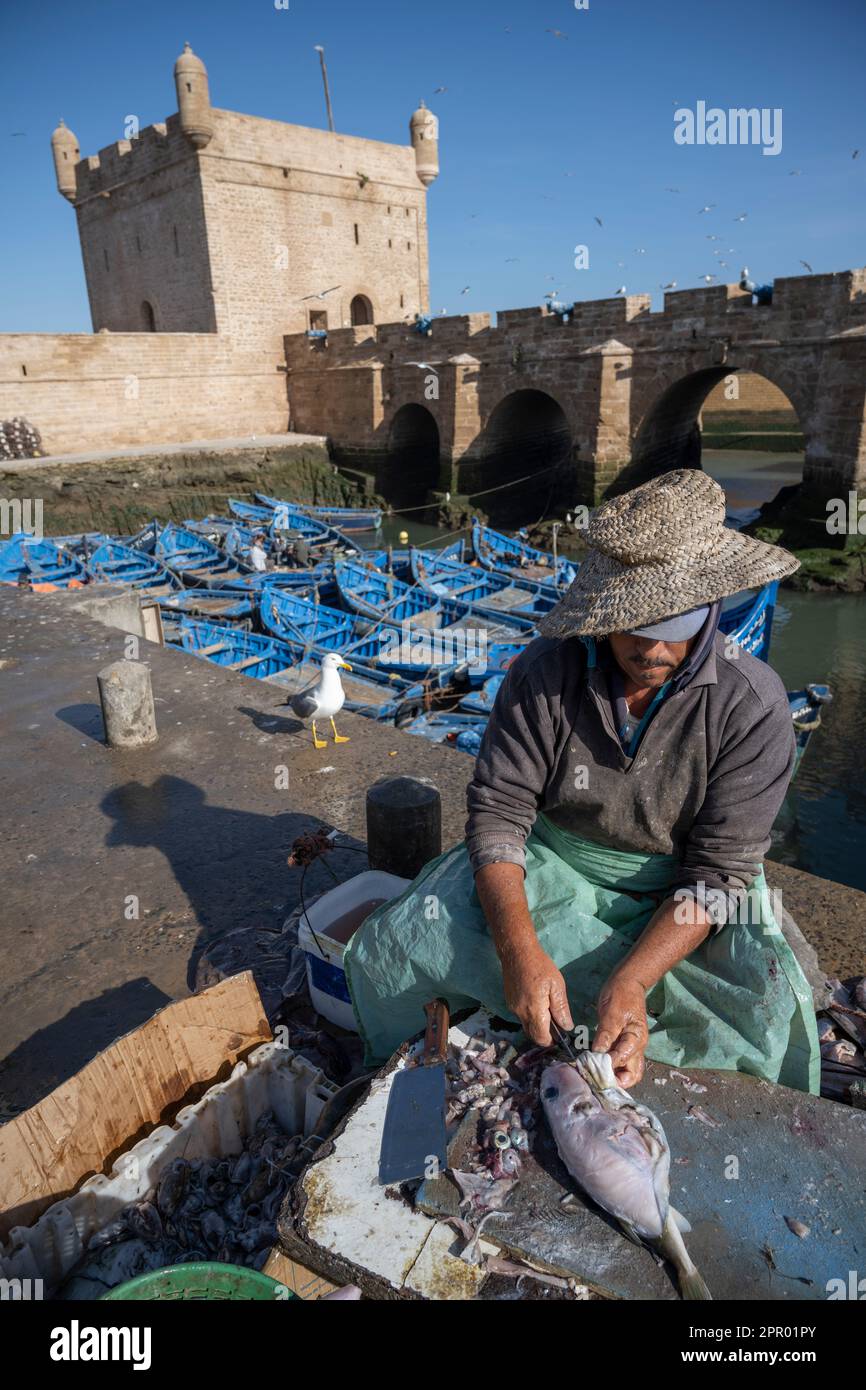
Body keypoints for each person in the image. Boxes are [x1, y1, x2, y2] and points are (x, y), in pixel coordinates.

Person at [344, 469, 820, 1094]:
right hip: (554, 858)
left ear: (710, 605)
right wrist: (519, 951)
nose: (652, 648)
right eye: (635, 624)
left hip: (683, 893)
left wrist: (634, 979)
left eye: (672, 624)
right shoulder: (543, 673)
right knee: (398, 950)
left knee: (760, 1024)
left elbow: (718, 874)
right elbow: (499, 817)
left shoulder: (752, 706)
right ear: (603, 613)